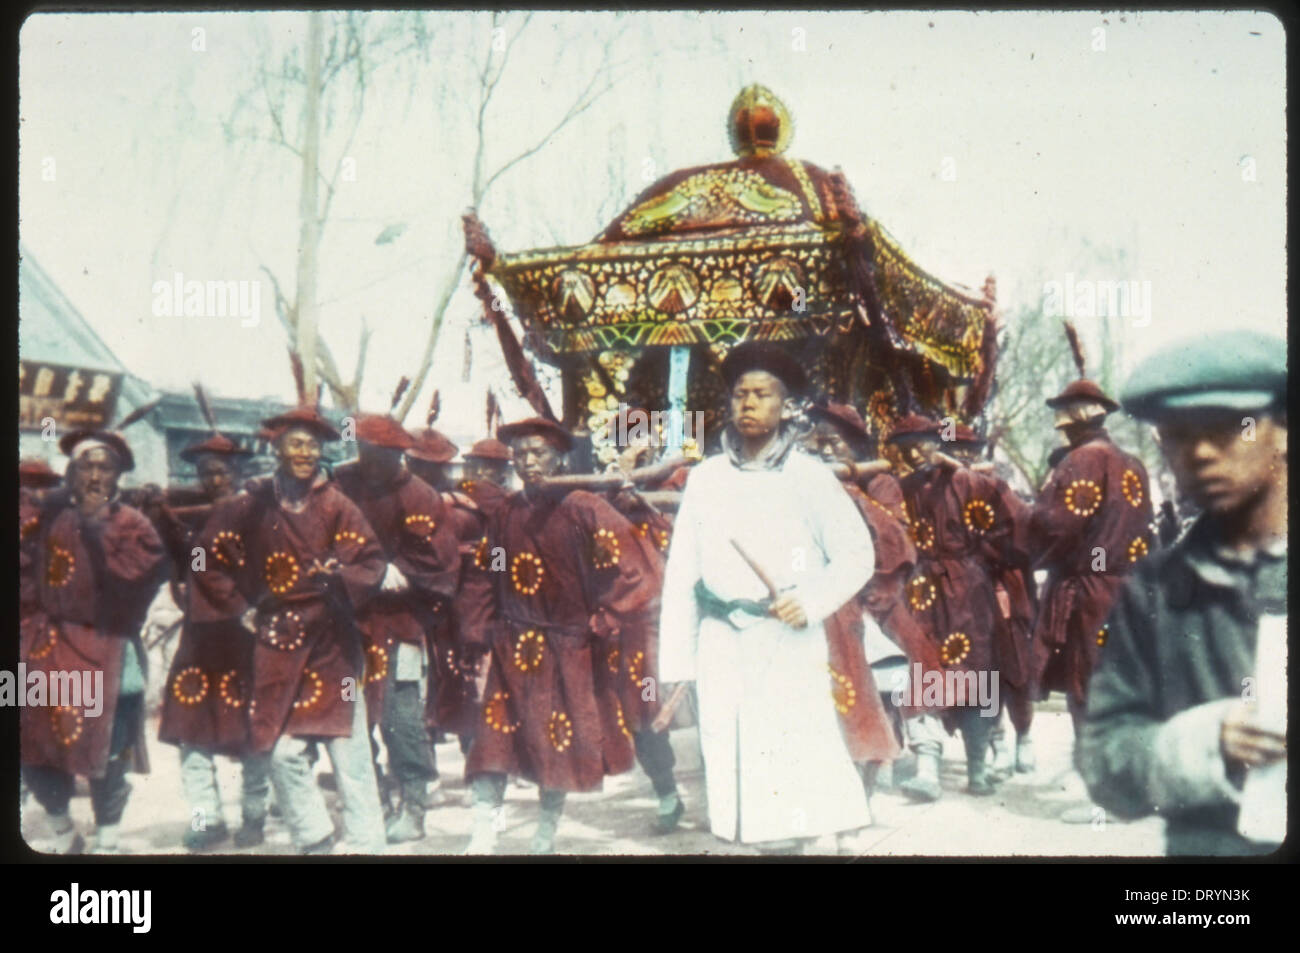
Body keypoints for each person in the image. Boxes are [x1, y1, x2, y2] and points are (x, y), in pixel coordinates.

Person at [659, 344, 877, 853]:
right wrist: (678, 661)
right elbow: (681, 574)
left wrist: (812, 600)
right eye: (739, 395)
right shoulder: (705, 479)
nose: (748, 404)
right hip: (720, 640)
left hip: (786, 639)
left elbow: (856, 556)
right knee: (729, 755)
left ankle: (800, 843)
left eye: (762, 394)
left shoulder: (811, 478)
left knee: (792, 757)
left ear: (786, 406)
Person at [1080, 331, 1286, 856]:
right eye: (1176, 436)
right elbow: (1104, 760)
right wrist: (1206, 743)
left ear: (1283, 430)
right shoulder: (1156, 589)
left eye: (1223, 429)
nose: (1199, 454)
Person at [458, 416, 664, 854]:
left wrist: (607, 617)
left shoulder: (585, 508)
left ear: (561, 458)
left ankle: (544, 836)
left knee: (555, 744)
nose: (529, 461)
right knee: (492, 742)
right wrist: (478, 631)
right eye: (521, 454)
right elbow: (490, 571)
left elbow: (636, 569)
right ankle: (482, 835)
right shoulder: (506, 513)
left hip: (568, 649)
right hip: (513, 647)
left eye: (540, 453)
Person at [189, 404, 389, 853]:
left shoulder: (338, 504)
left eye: (313, 445)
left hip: (333, 639)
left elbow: (372, 560)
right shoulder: (250, 504)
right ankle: (315, 837)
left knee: (349, 751)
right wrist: (239, 607)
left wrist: (340, 577)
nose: (305, 453)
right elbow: (205, 558)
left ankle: (367, 843)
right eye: (295, 444)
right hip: (277, 643)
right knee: (279, 751)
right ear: (276, 449)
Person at [22, 431, 168, 854]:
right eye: (87, 466)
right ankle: (64, 832)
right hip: (48, 649)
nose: (95, 476)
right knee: (31, 747)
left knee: (108, 754)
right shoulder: (47, 517)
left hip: (108, 649)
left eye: (106, 468)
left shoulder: (132, 524)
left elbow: (139, 578)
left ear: (118, 476)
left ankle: (107, 841)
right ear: (71, 472)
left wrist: (96, 526)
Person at [1029, 374, 1154, 822]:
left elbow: (1054, 526)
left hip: (1091, 591)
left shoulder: (1081, 462)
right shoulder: (1133, 464)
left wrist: (1023, 539)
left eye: (1063, 420)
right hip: (1129, 588)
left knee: (1089, 685)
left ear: (1074, 421)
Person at [335, 409, 462, 842]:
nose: (377, 464)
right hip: (346, 619)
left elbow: (441, 561)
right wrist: (365, 570)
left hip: (400, 622)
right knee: (347, 715)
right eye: (369, 453)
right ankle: (376, 799)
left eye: (388, 455)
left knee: (399, 714)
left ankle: (414, 805)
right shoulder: (340, 485)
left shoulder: (421, 496)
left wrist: (400, 571)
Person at [886, 413, 1021, 796]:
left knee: (977, 675)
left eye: (922, 443)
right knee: (922, 670)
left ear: (939, 443)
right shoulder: (904, 487)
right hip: (921, 589)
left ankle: (977, 767)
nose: (914, 452)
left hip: (969, 590)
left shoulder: (969, 481)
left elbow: (1009, 527)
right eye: (905, 445)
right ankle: (927, 768)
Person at [154, 432, 272, 849]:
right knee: (192, 732)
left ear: (238, 471)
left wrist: (245, 605)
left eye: (221, 472)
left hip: (247, 635)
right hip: (200, 638)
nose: (213, 480)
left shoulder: (258, 511)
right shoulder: (195, 516)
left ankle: (255, 816)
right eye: (206, 473)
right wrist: (164, 521)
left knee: (256, 730)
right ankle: (206, 819)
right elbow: (189, 560)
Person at [801, 402, 910, 809]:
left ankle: (863, 789)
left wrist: (871, 600)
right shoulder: (794, 488)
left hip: (847, 608)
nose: (823, 451)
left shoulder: (859, 493)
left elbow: (889, 545)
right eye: (815, 442)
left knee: (859, 696)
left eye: (833, 443)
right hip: (796, 609)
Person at [949, 425, 1039, 779]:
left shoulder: (996, 490)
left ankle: (1024, 736)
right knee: (982, 672)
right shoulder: (946, 493)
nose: (962, 458)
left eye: (967, 451)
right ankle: (996, 742)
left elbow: (1019, 537)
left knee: (1014, 667)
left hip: (1001, 590)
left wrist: (985, 550)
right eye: (955, 451)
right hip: (964, 598)